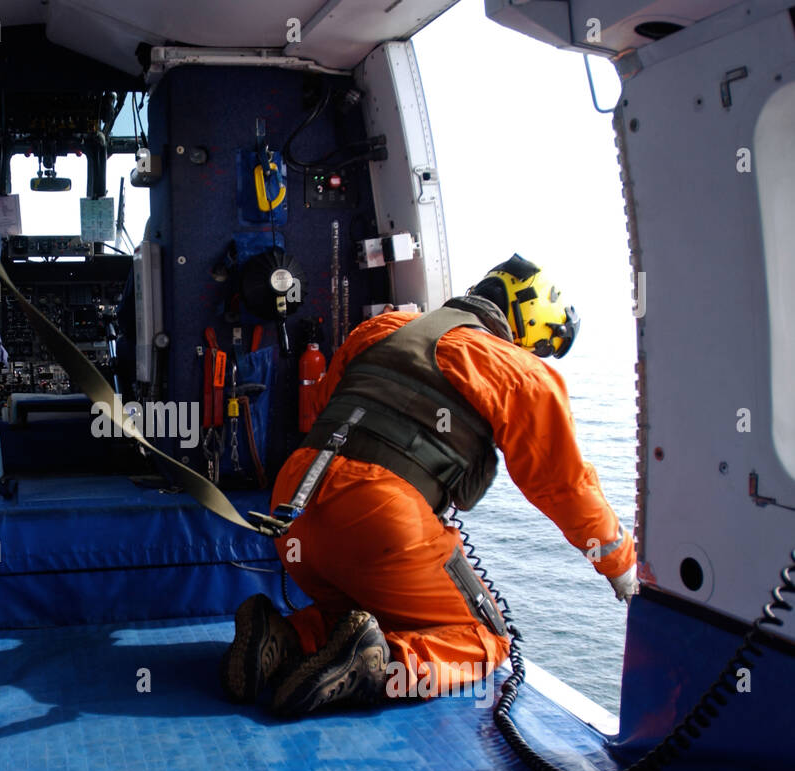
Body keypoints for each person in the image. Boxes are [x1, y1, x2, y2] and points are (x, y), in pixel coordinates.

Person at [223, 255, 635, 716]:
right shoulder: (519, 370)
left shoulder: (381, 328)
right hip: (380, 517)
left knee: (368, 611)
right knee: (485, 638)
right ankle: (383, 664)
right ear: (528, 325)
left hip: (293, 508)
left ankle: (286, 635)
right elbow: (563, 485)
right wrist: (620, 566)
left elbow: (324, 407)